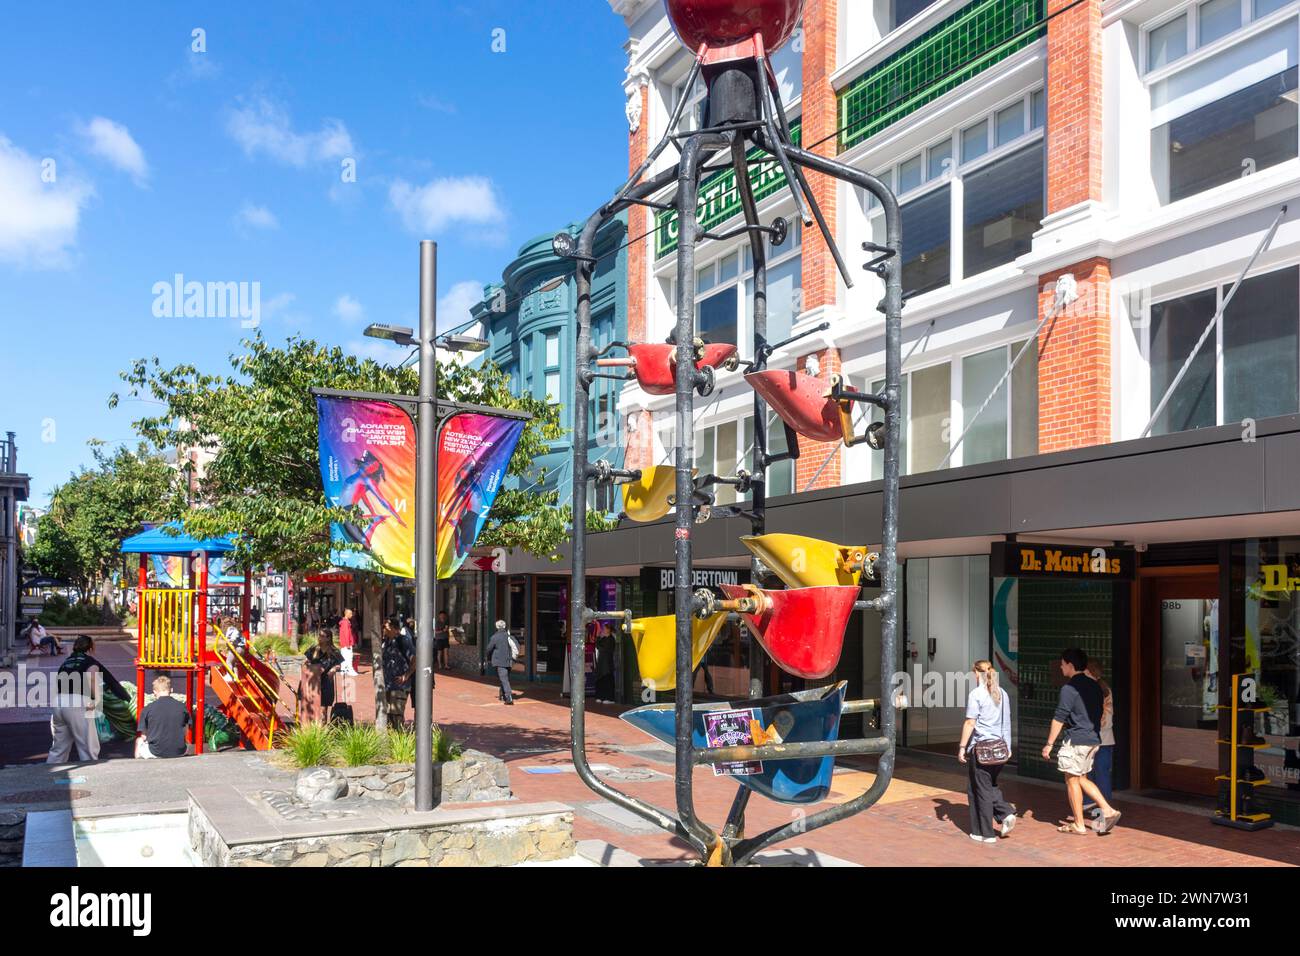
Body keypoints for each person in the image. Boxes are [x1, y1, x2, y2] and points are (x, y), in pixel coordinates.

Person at [1043, 648, 1122, 835]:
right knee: (1081, 778)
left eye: (1062, 663)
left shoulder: (1069, 688)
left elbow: (1059, 717)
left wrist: (1049, 744)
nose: (1061, 667)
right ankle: (1107, 810)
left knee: (1071, 780)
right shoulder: (1094, 685)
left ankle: (1080, 823)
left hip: (1077, 740)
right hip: (1093, 739)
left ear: (1070, 664)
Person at [958, 660, 1017, 843]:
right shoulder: (1003, 693)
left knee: (979, 790)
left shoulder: (976, 694)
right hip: (999, 749)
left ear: (977, 674)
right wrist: (1007, 746)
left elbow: (970, 722)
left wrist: (962, 747)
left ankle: (987, 832)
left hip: (981, 749)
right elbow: (1006, 722)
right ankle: (990, 822)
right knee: (987, 786)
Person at [47, 636, 131, 764]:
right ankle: (92, 776)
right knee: (88, 746)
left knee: (59, 748)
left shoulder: (67, 661)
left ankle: (46, 774)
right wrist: (97, 699)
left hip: (59, 703)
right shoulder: (90, 662)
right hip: (77, 703)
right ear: (91, 648)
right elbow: (91, 677)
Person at [1078, 660, 1115, 821]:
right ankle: (1102, 805)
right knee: (1101, 774)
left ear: (1090, 673)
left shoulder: (1092, 690)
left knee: (1089, 773)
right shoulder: (1105, 689)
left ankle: (1097, 805)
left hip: (1092, 738)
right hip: (1105, 739)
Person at [136, 675, 192, 759]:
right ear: (171, 690)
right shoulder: (182, 707)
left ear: (154, 691)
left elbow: (144, 736)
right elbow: (186, 730)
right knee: (188, 744)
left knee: (139, 740)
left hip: (155, 752)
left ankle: (137, 764)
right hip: (179, 751)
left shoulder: (147, 709)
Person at [301, 633, 343, 723]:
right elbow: (306, 662)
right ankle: (311, 729)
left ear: (328, 638)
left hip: (326, 682)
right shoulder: (313, 649)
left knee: (323, 708)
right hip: (313, 681)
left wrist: (333, 669)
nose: (319, 638)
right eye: (319, 635)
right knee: (311, 707)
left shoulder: (334, 651)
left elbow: (339, 665)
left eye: (322, 636)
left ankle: (322, 730)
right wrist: (306, 665)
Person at [381, 618, 415, 727]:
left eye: (385, 627)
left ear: (393, 628)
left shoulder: (403, 640)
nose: (383, 630)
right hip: (388, 685)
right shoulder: (385, 642)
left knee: (396, 716)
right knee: (388, 716)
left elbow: (415, 659)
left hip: (399, 686)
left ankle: (399, 741)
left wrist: (406, 675)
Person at [486, 621, 515, 705]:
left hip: (500, 661)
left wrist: (488, 658)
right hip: (509, 661)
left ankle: (509, 698)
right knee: (504, 678)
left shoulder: (495, 637)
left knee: (504, 679)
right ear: (505, 626)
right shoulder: (509, 636)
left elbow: (489, 649)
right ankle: (502, 695)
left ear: (497, 627)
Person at [594, 622, 617, 704]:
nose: (603, 630)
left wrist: (599, 643)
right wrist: (598, 636)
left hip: (607, 664)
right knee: (601, 680)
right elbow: (597, 645)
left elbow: (603, 649)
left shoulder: (611, 639)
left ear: (609, 630)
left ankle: (609, 698)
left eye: (605, 628)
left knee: (608, 680)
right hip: (601, 663)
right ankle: (601, 696)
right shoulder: (603, 639)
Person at [338, 608, 358, 676]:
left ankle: (343, 670)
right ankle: (350, 670)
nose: (352, 615)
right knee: (349, 657)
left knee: (344, 657)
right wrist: (348, 644)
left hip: (343, 643)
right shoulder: (346, 622)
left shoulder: (344, 622)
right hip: (347, 644)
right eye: (351, 614)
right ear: (347, 614)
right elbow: (346, 634)